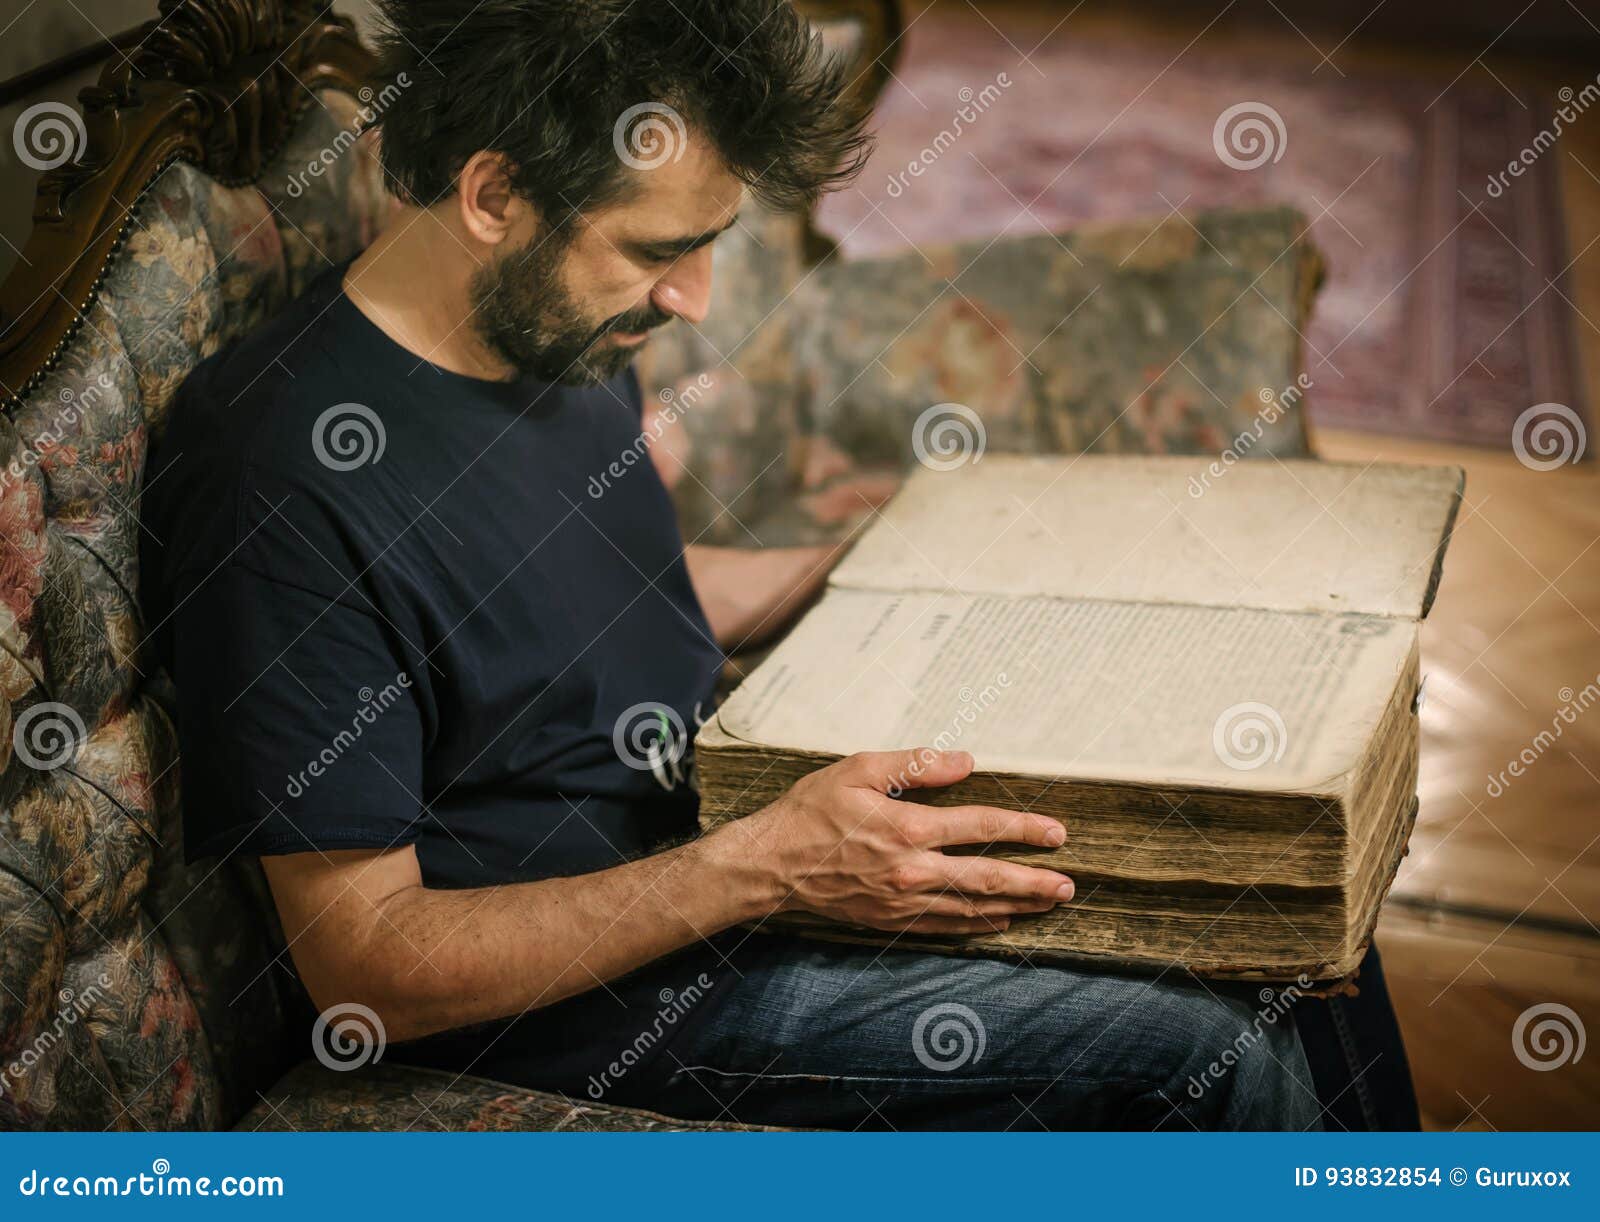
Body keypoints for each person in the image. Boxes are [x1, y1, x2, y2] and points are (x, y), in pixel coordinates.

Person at [141, 0, 1413, 1130]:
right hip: (602, 995)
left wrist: (882, 558)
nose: (692, 299)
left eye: (712, 243)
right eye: (657, 250)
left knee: (1282, 903)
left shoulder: (548, 321)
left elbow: (608, 601)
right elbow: (366, 965)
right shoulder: (283, 481)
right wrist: (759, 866)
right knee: (1212, 1050)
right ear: (491, 196)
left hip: (739, 845)